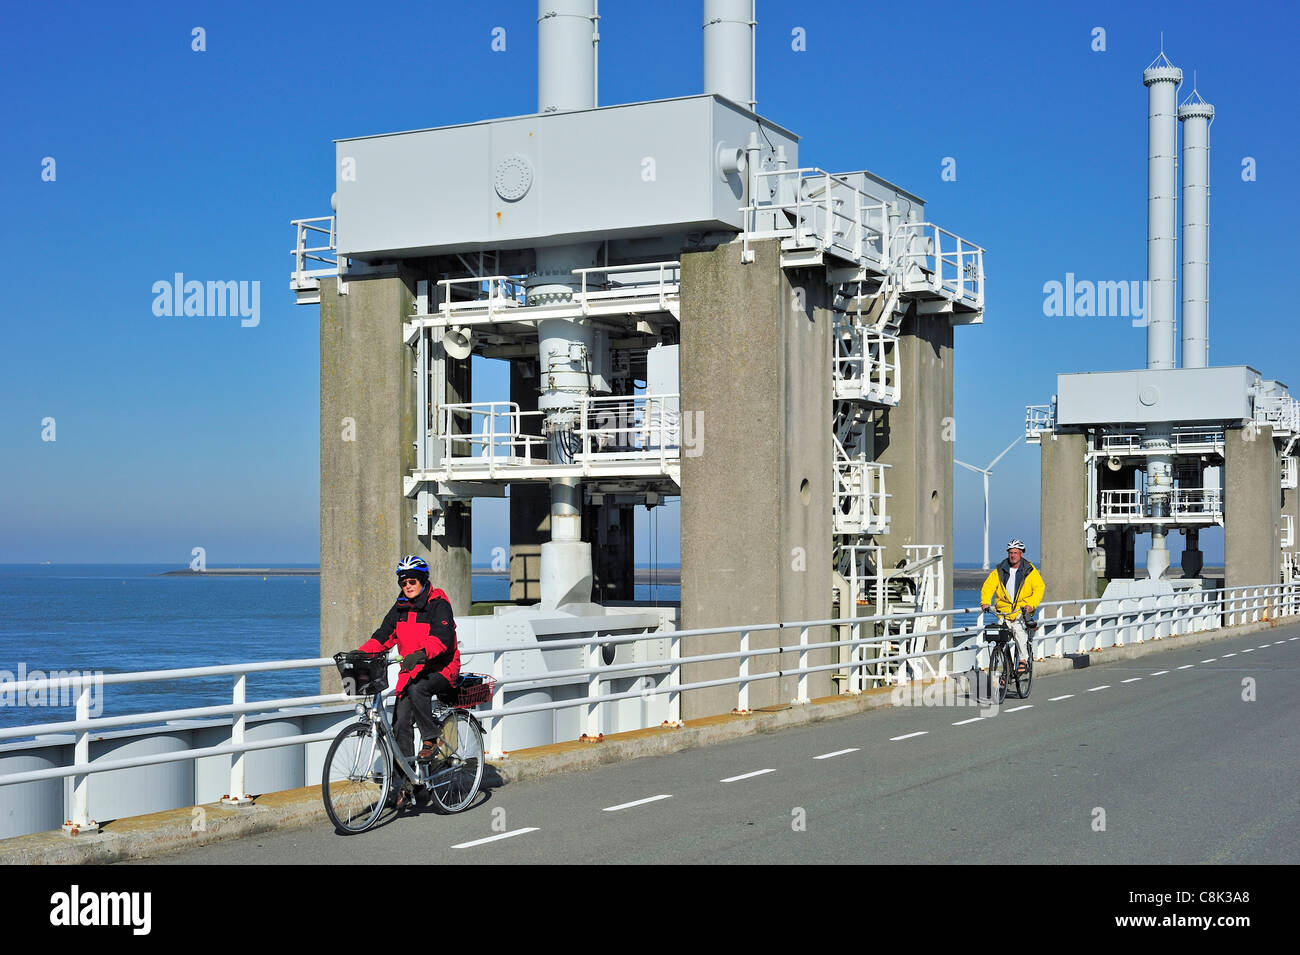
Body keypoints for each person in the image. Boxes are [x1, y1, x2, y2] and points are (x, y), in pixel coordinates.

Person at [357, 555, 460, 808]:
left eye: (412, 581)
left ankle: (431, 739)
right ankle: (408, 784)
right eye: (403, 582)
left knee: (419, 688)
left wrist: (421, 654)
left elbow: (443, 639)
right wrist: (361, 653)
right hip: (412, 670)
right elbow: (384, 635)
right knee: (400, 723)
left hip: (442, 668)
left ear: (423, 581)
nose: (407, 586)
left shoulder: (438, 604)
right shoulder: (400, 606)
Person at [980, 539, 1045, 673]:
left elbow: (1039, 588)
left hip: (1021, 609)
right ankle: (1005, 670)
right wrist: (985, 601)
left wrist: (1031, 605)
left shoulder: (1030, 571)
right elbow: (988, 586)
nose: (1012, 555)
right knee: (999, 636)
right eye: (1010, 552)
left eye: (1015, 552)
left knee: (1018, 632)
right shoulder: (1000, 570)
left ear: (1021, 554)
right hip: (1003, 611)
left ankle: (1023, 660)